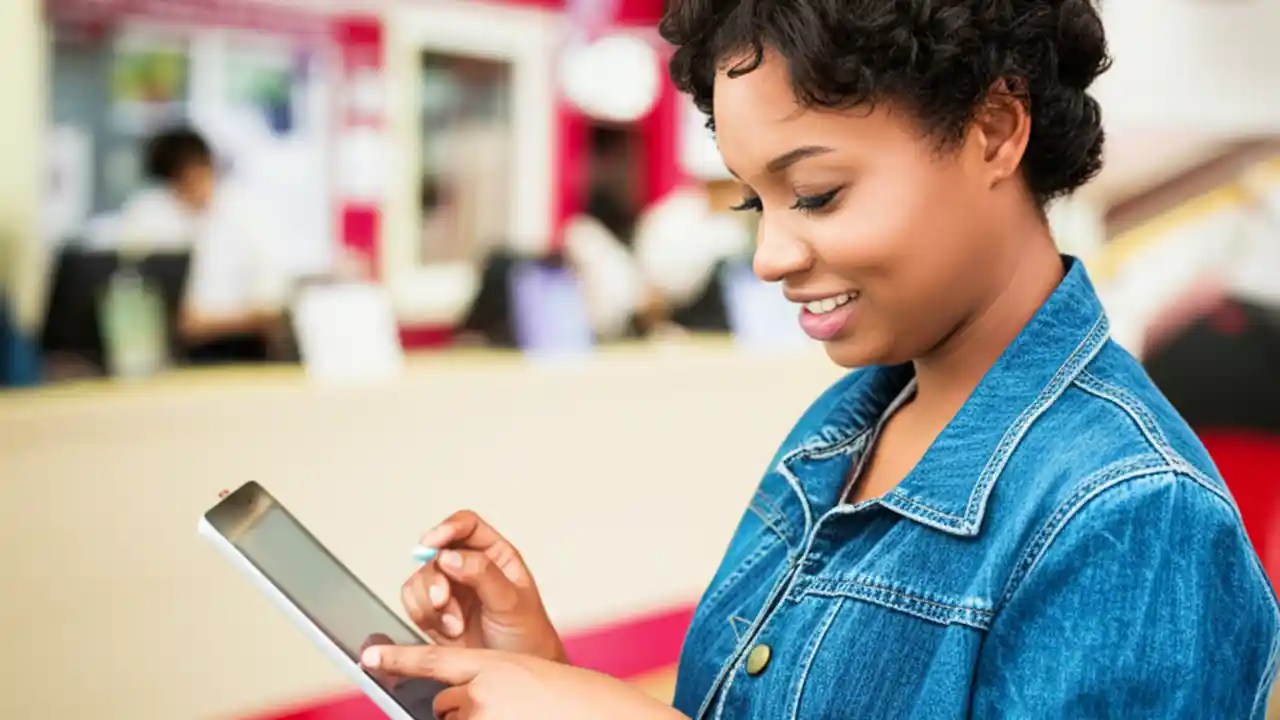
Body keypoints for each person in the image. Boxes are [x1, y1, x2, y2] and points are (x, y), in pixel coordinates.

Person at [361, 1, 1280, 718]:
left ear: (995, 130)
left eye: (817, 193)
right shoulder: (842, 435)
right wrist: (543, 679)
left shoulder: (1132, 515)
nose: (770, 257)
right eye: (755, 204)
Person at [116, 127, 289, 361]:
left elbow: (271, 310)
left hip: (241, 348)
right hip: (165, 350)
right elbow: (127, 289)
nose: (195, 189)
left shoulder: (249, 213)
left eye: (199, 175)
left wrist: (205, 324)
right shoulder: (147, 216)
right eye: (182, 182)